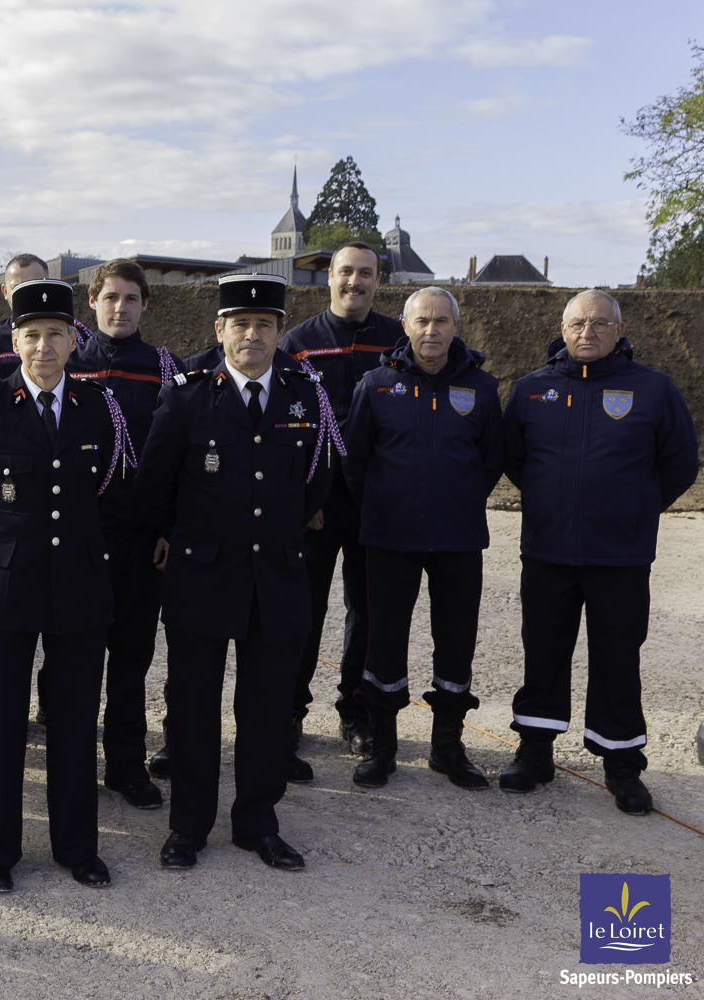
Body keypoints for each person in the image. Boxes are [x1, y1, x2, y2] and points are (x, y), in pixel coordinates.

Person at [135, 273, 331, 873]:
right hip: (203, 575)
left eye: (264, 324)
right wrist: (180, 538)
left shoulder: (305, 395)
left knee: (267, 708)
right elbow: (154, 485)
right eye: (240, 324)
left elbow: (318, 480)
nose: (252, 334)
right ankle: (188, 826)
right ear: (219, 330)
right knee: (194, 706)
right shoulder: (187, 395)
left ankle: (256, 822)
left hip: (276, 574)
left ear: (280, 332)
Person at [0, 278, 127, 893]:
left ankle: (77, 847)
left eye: (56, 334)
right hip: (6, 585)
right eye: (32, 335)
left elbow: (115, 499)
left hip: (79, 582)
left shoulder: (101, 409)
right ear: (13, 341)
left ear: (75, 339)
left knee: (74, 718)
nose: (44, 347)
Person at [498, 290, 698, 814]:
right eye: (577, 324)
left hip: (620, 557)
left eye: (599, 324)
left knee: (617, 660)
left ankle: (621, 764)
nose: (587, 333)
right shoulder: (531, 391)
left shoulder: (653, 390)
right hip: (548, 552)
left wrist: (635, 509)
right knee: (543, 652)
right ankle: (536, 751)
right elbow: (516, 462)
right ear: (562, 330)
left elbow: (679, 464)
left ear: (619, 328)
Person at [342, 287, 503, 790]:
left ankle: (447, 749)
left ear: (455, 327)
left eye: (440, 322)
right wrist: (384, 506)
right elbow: (354, 460)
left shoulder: (481, 387)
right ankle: (383, 750)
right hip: (391, 538)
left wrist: (456, 501)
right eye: (421, 322)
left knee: (456, 642)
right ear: (405, 327)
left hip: (458, 539)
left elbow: (492, 460)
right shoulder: (376, 384)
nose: (430, 331)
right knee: (384, 641)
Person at [55, 258, 180, 810]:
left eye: (132, 298)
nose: (121, 308)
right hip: (77, 540)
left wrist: (166, 528)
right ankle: (71, 762)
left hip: (139, 538)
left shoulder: (165, 369)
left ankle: (126, 763)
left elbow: (178, 457)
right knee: (74, 659)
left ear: (145, 304)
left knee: (132, 657)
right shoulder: (66, 365)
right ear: (93, 302)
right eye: (111, 297)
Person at [279, 243, 402, 758]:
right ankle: (288, 710)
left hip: (377, 502)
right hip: (319, 503)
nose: (355, 282)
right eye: (346, 272)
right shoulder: (299, 343)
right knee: (302, 610)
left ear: (378, 281)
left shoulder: (399, 340)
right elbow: (282, 426)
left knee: (368, 612)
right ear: (328, 277)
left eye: (366, 274)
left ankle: (357, 712)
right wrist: (305, 497)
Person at [0, 254, 49, 379]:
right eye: (17, 288)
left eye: (33, 286)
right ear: (5, 291)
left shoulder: (73, 338)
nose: (25, 295)